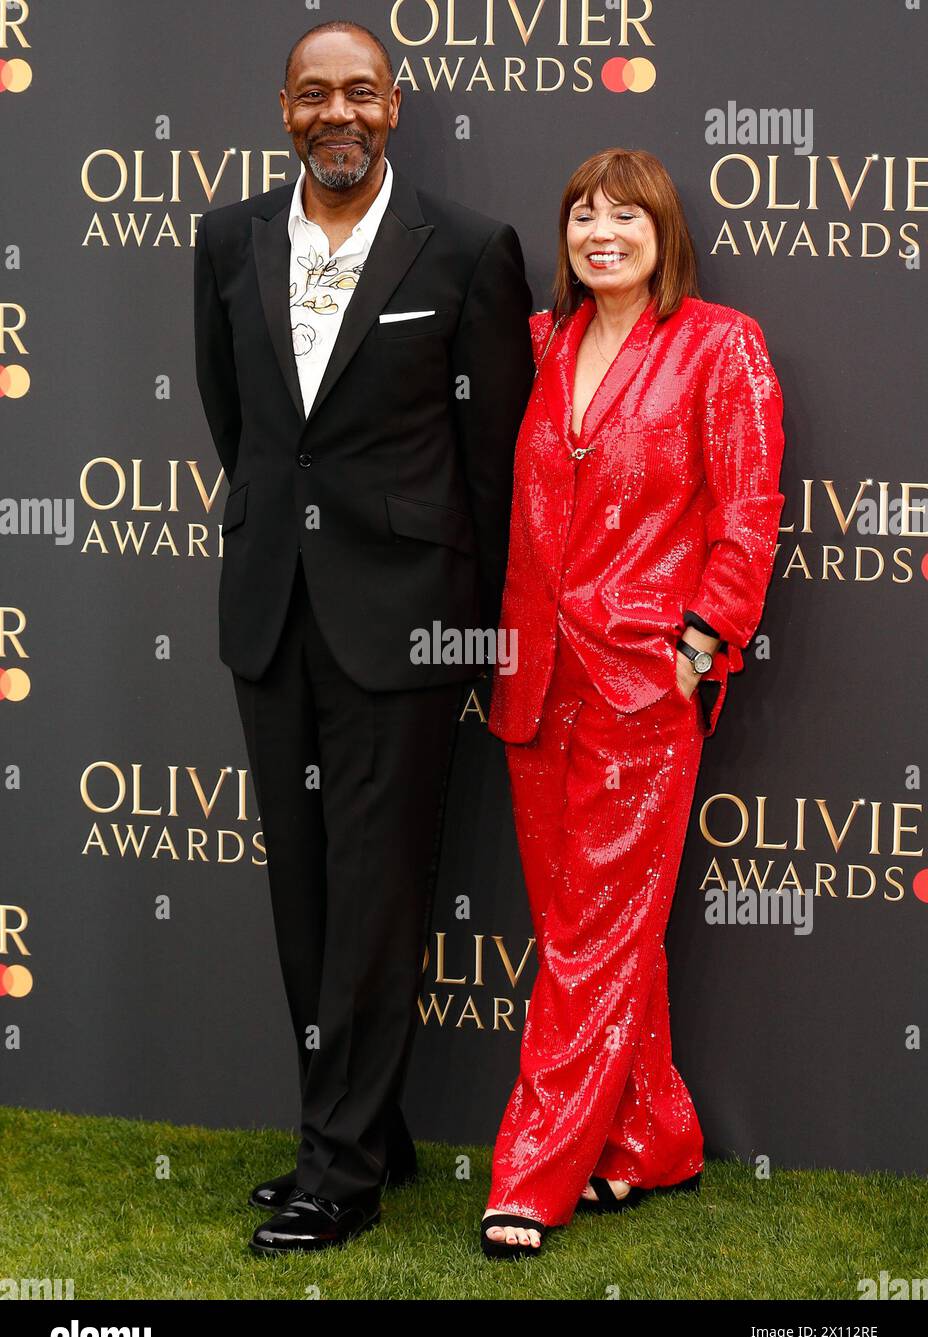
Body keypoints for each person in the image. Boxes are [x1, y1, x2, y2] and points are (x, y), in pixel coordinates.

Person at [193, 19, 534, 1254]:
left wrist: (486, 642)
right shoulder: (228, 238)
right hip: (272, 609)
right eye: (314, 94)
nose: (338, 113)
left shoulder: (469, 249)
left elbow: (493, 469)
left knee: (380, 891)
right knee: (306, 887)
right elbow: (243, 430)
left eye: (364, 93)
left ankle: (337, 1170)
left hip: (409, 628)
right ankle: (362, 1127)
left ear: (395, 107)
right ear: (283, 105)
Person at [480, 147, 786, 1258]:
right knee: (593, 933)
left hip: (640, 687)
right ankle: (649, 1140)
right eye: (581, 216)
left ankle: (532, 1170)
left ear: (664, 231)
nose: (599, 232)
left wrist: (699, 643)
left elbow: (749, 508)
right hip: (532, 685)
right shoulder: (537, 344)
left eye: (624, 215)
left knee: (591, 939)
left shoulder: (719, 344)